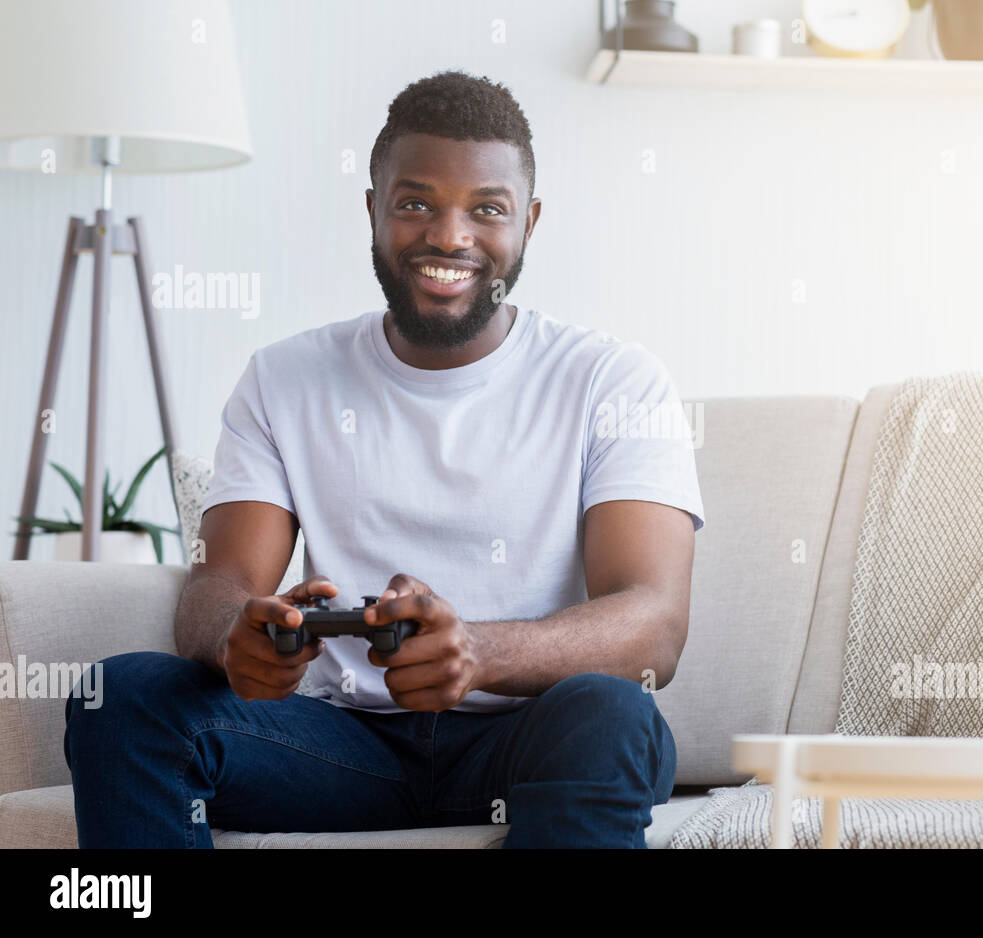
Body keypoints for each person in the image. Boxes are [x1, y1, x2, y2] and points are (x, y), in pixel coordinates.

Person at [64, 70, 704, 849]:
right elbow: (220, 580)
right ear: (372, 210)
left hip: (523, 742)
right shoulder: (284, 378)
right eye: (415, 203)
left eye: (487, 210)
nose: (449, 236)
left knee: (614, 714)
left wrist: (479, 652)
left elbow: (655, 622)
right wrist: (238, 633)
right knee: (119, 695)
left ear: (528, 223)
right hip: (339, 748)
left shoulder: (613, 379)